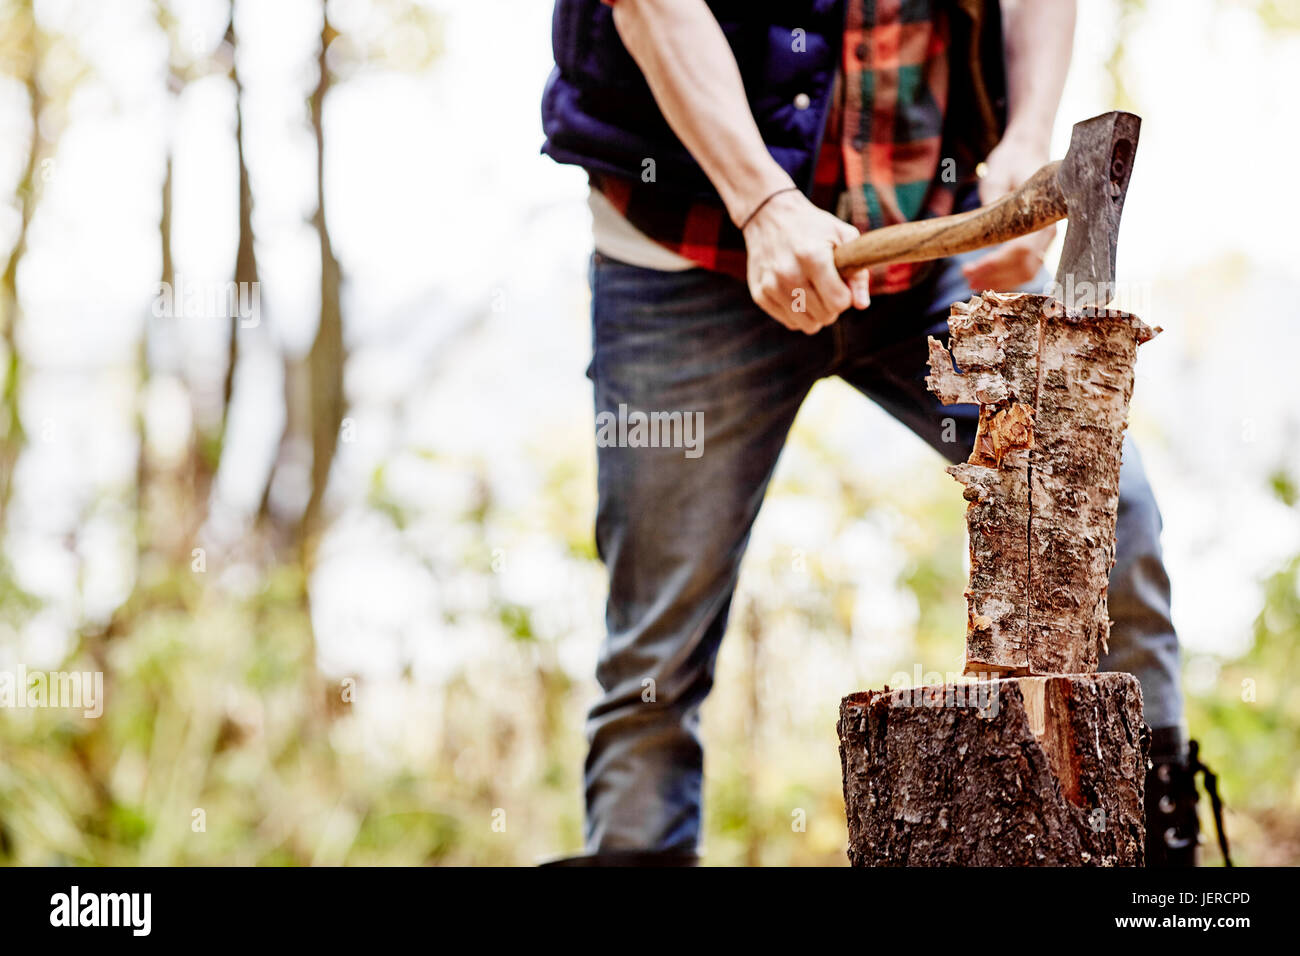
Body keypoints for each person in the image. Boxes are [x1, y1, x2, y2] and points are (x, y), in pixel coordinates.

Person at [540, 0, 1201, 866]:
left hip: (927, 251)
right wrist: (762, 200)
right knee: (655, 651)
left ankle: (1162, 871)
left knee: (1112, 515)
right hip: (688, 255)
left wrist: (1022, 139)